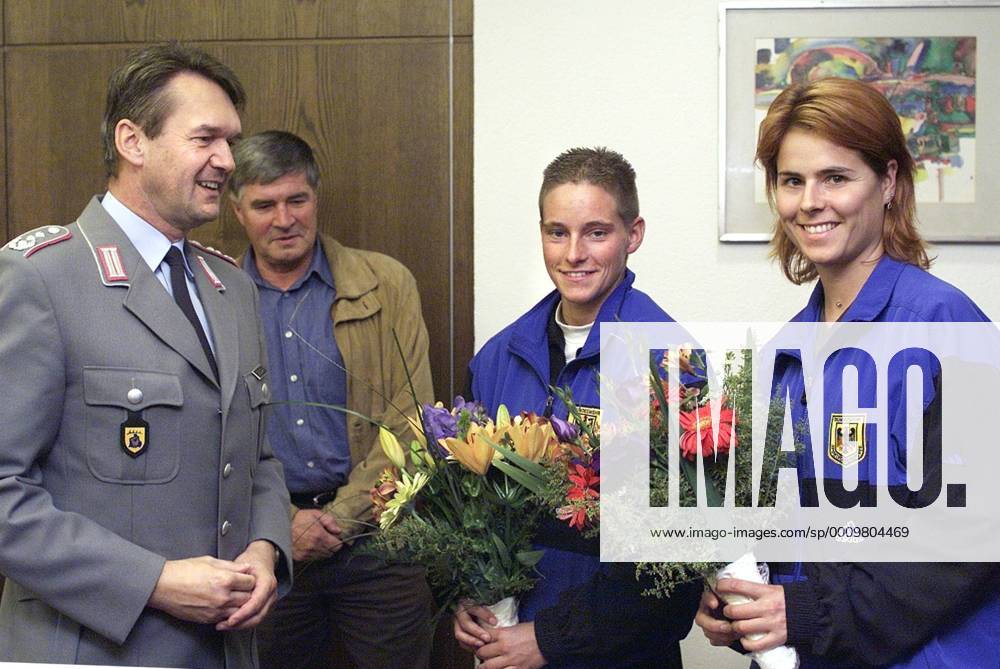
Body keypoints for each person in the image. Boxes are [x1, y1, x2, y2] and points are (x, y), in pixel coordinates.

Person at [0, 42, 292, 667]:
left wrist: (267, 549)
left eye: (231, 141)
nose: (227, 161)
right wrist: (152, 582)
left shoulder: (231, 287)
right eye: (206, 139)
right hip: (96, 651)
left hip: (227, 649)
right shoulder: (42, 279)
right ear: (133, 142)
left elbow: (257, 457)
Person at [694, 77, 1000, 667]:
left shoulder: (943, 322)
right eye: (792, 181)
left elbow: (973, 530)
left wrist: (807, 611)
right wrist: (736, 594)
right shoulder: (782, 357)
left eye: (835, 177)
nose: (810, 201)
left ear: (887, 182)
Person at [453, 147, 700, 669]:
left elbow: (673, 570)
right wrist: (466, 598)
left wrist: (549, 638)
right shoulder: (499, 356)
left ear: (633, 235)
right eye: (556, 232)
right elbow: (466, 508)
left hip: (620, 658)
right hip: (507, 646)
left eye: (596, 232)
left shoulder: (671, 364)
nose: (573, 254)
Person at [229, 130, 435, 669]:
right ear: (236, 211)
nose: (284, 219)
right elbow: (208, 435)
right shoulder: (216, 296)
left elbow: (412, 421)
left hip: (383, 540)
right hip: (264, 548)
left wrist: (342, 518)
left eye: (297, 200)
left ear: (316, 198)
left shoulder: (386, 283)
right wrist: (286, 522)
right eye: (264, 205)